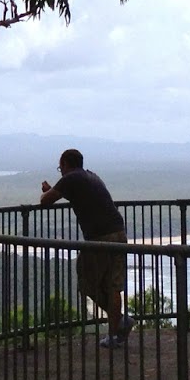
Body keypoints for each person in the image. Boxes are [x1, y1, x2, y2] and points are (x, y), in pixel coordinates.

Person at [39, 148, 132, 346]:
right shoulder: (91, 176)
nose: (60, 170)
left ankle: (119, 322)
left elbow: (45, 201)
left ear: (65, 164)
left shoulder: (70, 178)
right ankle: (117, 331)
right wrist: (54, 189)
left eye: (60, 167)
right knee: (114, 285)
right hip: (118, 232)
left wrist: (49, 190)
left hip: (100, 238)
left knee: (86, 281)